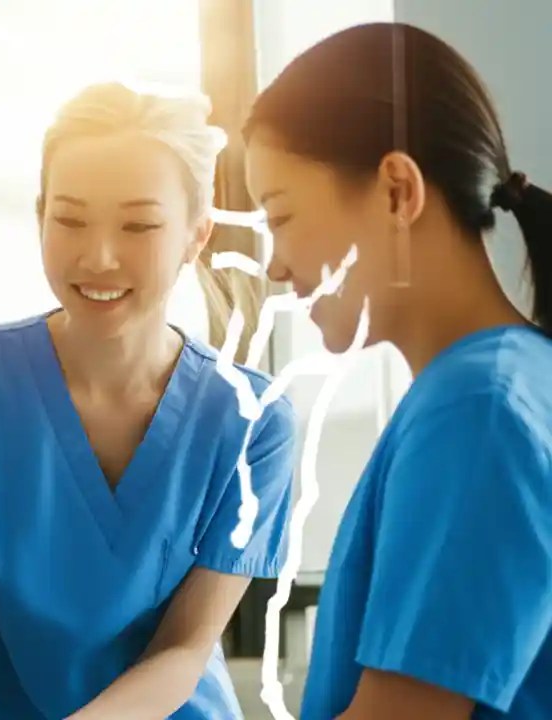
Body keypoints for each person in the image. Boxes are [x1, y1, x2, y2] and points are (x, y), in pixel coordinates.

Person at [0, 82, 298, 719]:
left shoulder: (253, 424)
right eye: (69, 219)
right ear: (39, 214)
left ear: (195, 235)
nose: (98, 256)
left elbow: (182, 650)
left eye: (139, 225)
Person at [243, 21, 552, 720]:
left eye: (282, 216)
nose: (275, 264)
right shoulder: (511, 382)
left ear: (395, 192)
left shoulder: (480, 409)